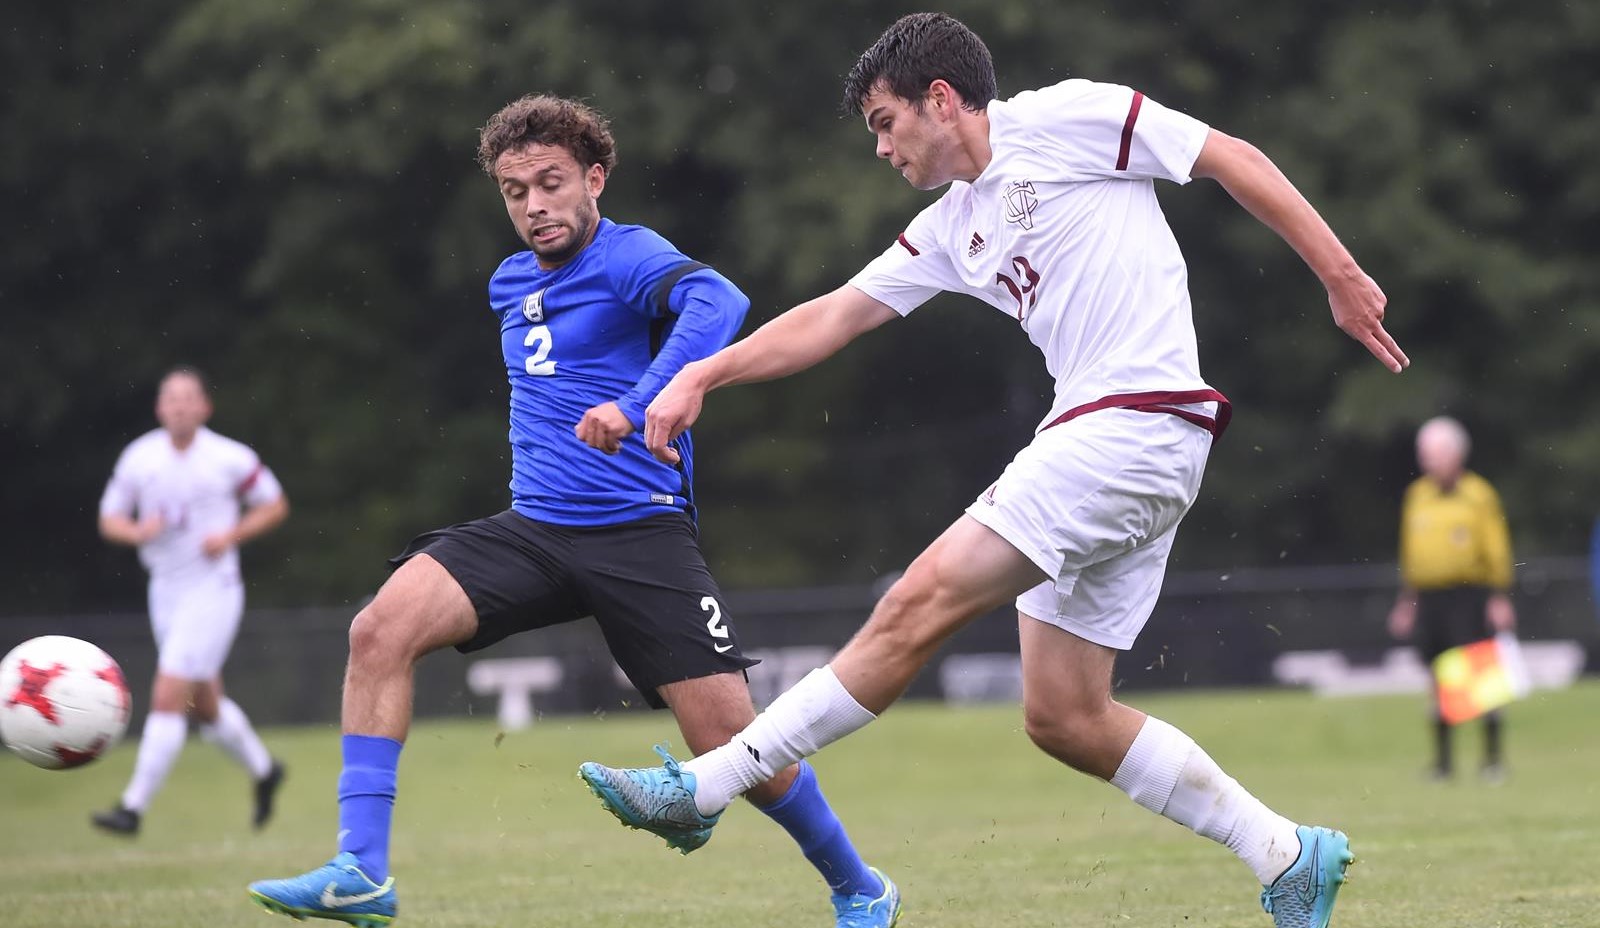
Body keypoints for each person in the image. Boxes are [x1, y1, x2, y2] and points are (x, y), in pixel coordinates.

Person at [578, 13, 1408, 928]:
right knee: (1064, 715)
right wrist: (704, 370)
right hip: (1126, 445)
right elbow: (834, 315)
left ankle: (704, 787)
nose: (882, 148)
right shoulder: (950, 224)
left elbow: (1230, 156)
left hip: (1131, 425)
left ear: (941, 99)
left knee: (914, 602)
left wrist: (1339, 273)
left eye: (886, 123)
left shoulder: (1066, 116)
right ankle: (1286, 855)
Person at [246, 95, 899, 928]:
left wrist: (635, 402)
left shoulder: (629, 255)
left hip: (641, 534)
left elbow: (721, 302)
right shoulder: (508, 282)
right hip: (536, 530)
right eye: (515, 191)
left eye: (551, 183)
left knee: (737, 753)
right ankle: (361, 870)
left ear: (594, 178)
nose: (534, 205)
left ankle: (859, 886)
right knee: (378, 630)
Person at [92, 366, 290, 836]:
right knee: (204, 705)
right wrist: (138, 531)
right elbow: (109, 519)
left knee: (169, 690)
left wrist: (232, 534)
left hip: (213, 589)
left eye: (189, 398)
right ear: (160, 408)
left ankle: (132, 808)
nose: (180, 406)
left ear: (205, 406)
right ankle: (266, 771)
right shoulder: (139, 457)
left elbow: (274, 504)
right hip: (165, 591)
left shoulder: (229, 457)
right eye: (171, 399)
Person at [1387, 416, 1516, 781]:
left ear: (1457, 454)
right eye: (1424, 454)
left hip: (1470, 596)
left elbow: (1496, 548)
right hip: (1429, 599)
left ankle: (1492, 760)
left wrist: (1498, 596)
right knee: (1439, 679)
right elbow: (1411, 553)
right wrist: (1406, 601)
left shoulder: (1479, 495)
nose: (1429, 461)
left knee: (1480, 680)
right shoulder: (1417, 496)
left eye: (1437, 453)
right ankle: (1443, 764)